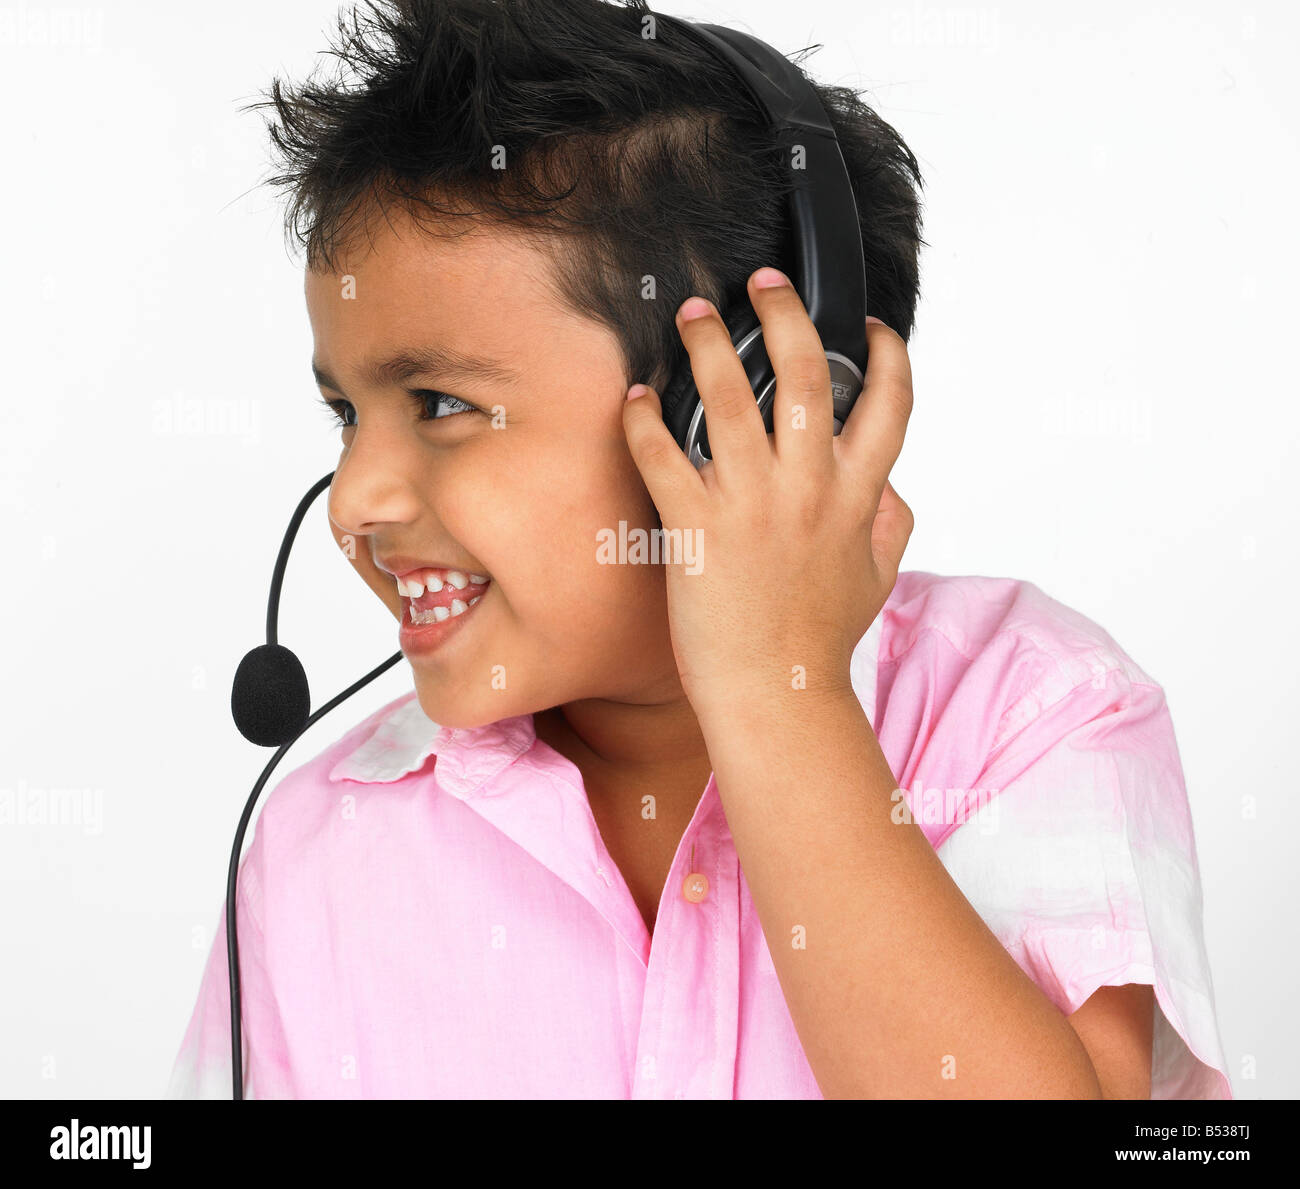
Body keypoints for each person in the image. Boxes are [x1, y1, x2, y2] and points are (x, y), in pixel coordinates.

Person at [167, 0, 1230, 1098]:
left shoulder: (1024, 712)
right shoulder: (316, 855)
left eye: (438, 403)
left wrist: (779, 684)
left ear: (753, 404)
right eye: (346, 414)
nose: (356, 499)